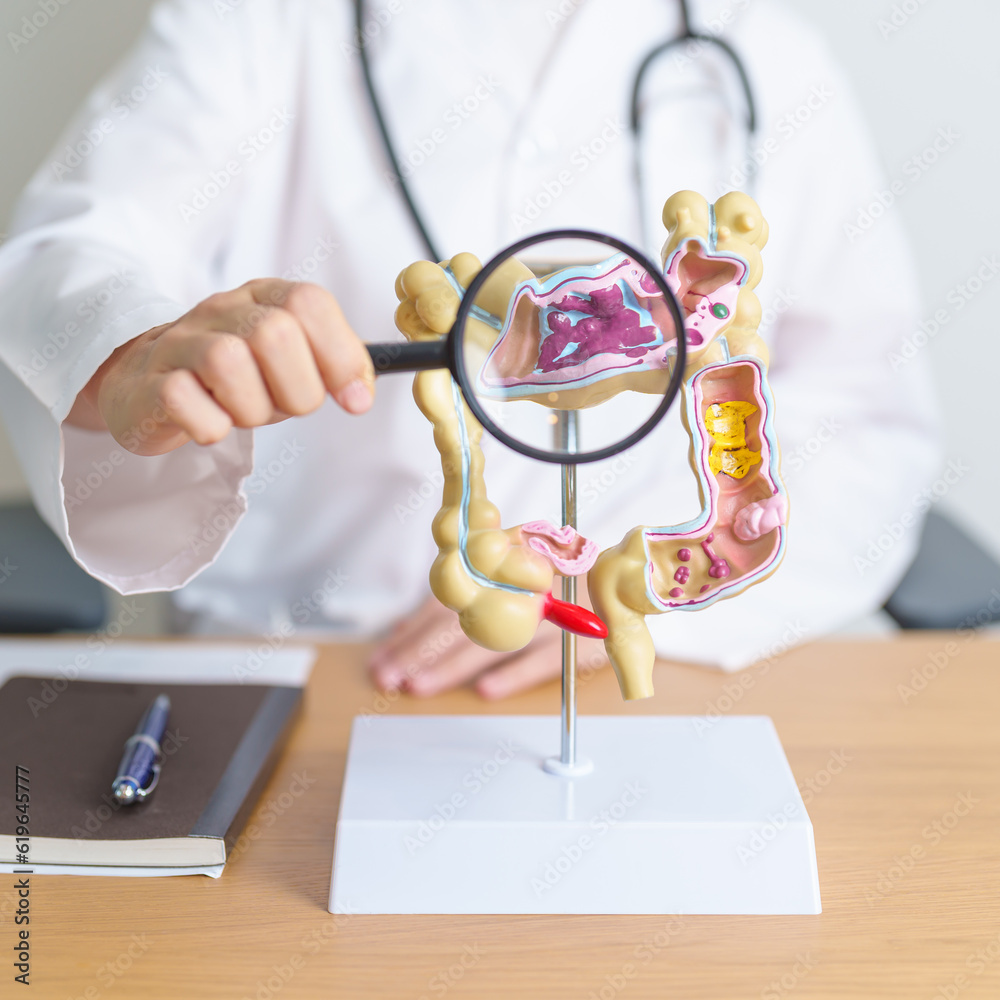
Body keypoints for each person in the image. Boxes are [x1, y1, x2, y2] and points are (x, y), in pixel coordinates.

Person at [0, 0, 939, 699]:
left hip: (647, 676)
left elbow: (864, 414)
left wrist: (632, 584)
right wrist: (126, 350)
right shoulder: (259, 25)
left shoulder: (763, 52)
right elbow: (75, 252)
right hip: (317, 673)